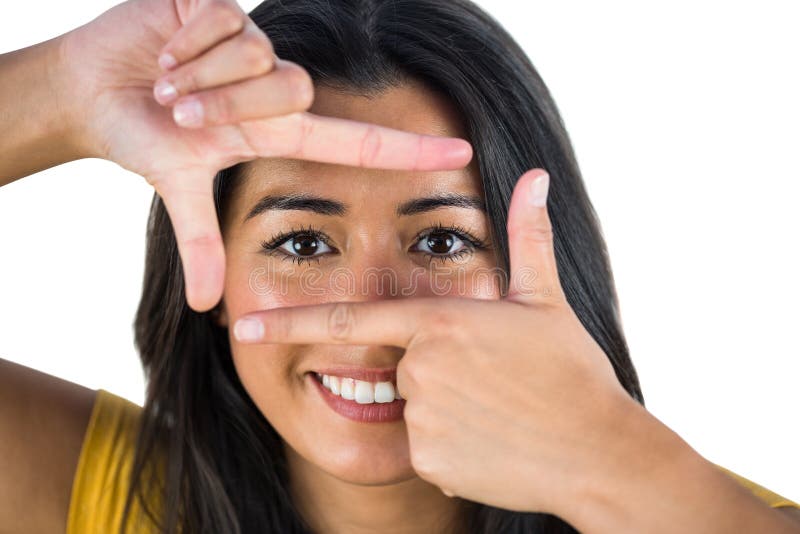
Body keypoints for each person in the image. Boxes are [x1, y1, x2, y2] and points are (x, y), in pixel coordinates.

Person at [0, 0, 798, 533]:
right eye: (304, 244)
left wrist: (611, 462)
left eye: (443, 242)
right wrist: (60, 95)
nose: (373, 311)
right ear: (208, 272)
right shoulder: (98, 499)